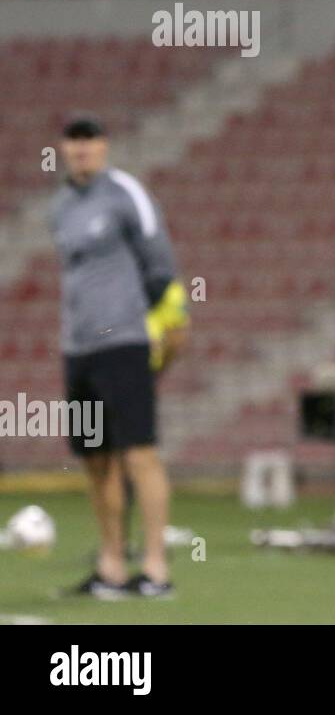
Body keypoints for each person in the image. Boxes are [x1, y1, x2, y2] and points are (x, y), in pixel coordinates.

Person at [50, 113, 181, 599]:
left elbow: (161, 265)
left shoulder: (126, 193)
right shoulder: (60, 207)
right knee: (95, 460)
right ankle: (110, 565)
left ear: (105, 146)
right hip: (77, 347)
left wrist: (135, 322)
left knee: (140, 452)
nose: (82, 149)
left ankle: (156, 568)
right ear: (63, 148)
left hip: (122, 344)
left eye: (90, 140)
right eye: (74, 141)